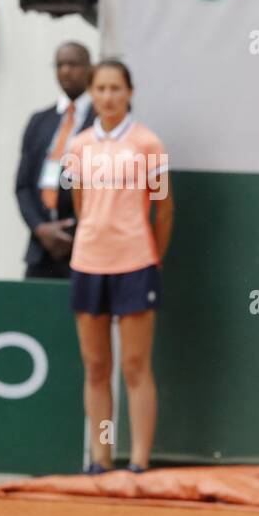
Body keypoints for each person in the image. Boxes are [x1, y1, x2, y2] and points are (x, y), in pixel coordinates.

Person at [62, 59, 174, 474]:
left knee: (133, 366)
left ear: (129, 92)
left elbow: (164, 210)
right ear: (92, 93)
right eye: (101, 88)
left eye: (116, 88)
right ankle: (101, 457)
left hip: (135, 264)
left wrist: (152, 257)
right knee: (95, 367)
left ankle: (139, 462)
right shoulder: (79, 147)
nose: (108, 96)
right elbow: (79, 204)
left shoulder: (148, 144)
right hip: (88, 263)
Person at [15, 42, 96, 279]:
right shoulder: (40, 121)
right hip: (41, 248)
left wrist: (73, 231)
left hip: (82, 247)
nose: (65, 71)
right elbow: (22, 186)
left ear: (89, 69)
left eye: (73, 64)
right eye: (60, 65)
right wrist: (40, 229)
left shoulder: (100, 122)